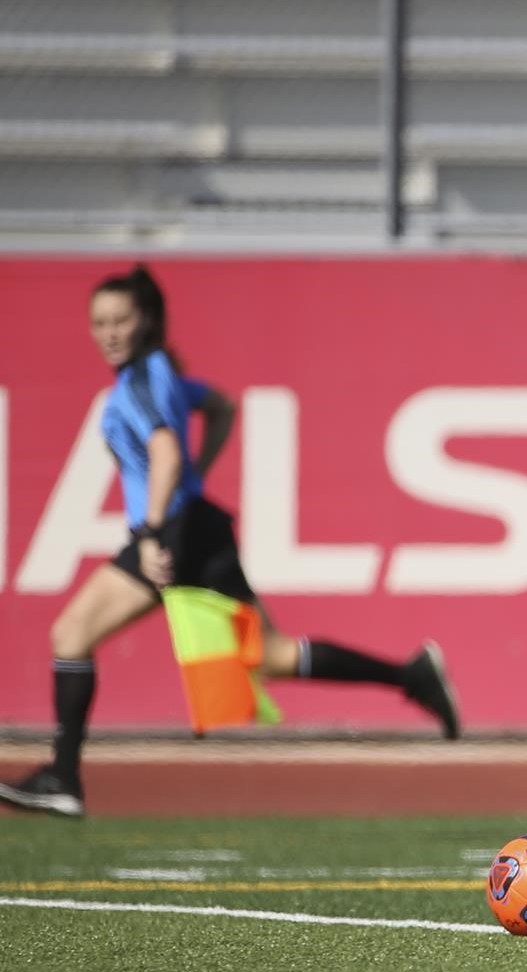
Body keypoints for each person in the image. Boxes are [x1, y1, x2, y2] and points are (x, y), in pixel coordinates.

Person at [0, 265, 461, 818]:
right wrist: (195, 481)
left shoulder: (141, 382)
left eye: (120, 320)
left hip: (171, 533)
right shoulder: (159, 372)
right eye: (99, 322)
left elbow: (168, 452)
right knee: (267, 655)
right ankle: (410, 675)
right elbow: (221, 406)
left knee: (71, 634)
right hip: (194, 525)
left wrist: (150, 533)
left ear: (144, 320)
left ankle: (63, 776)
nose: (109, 332)